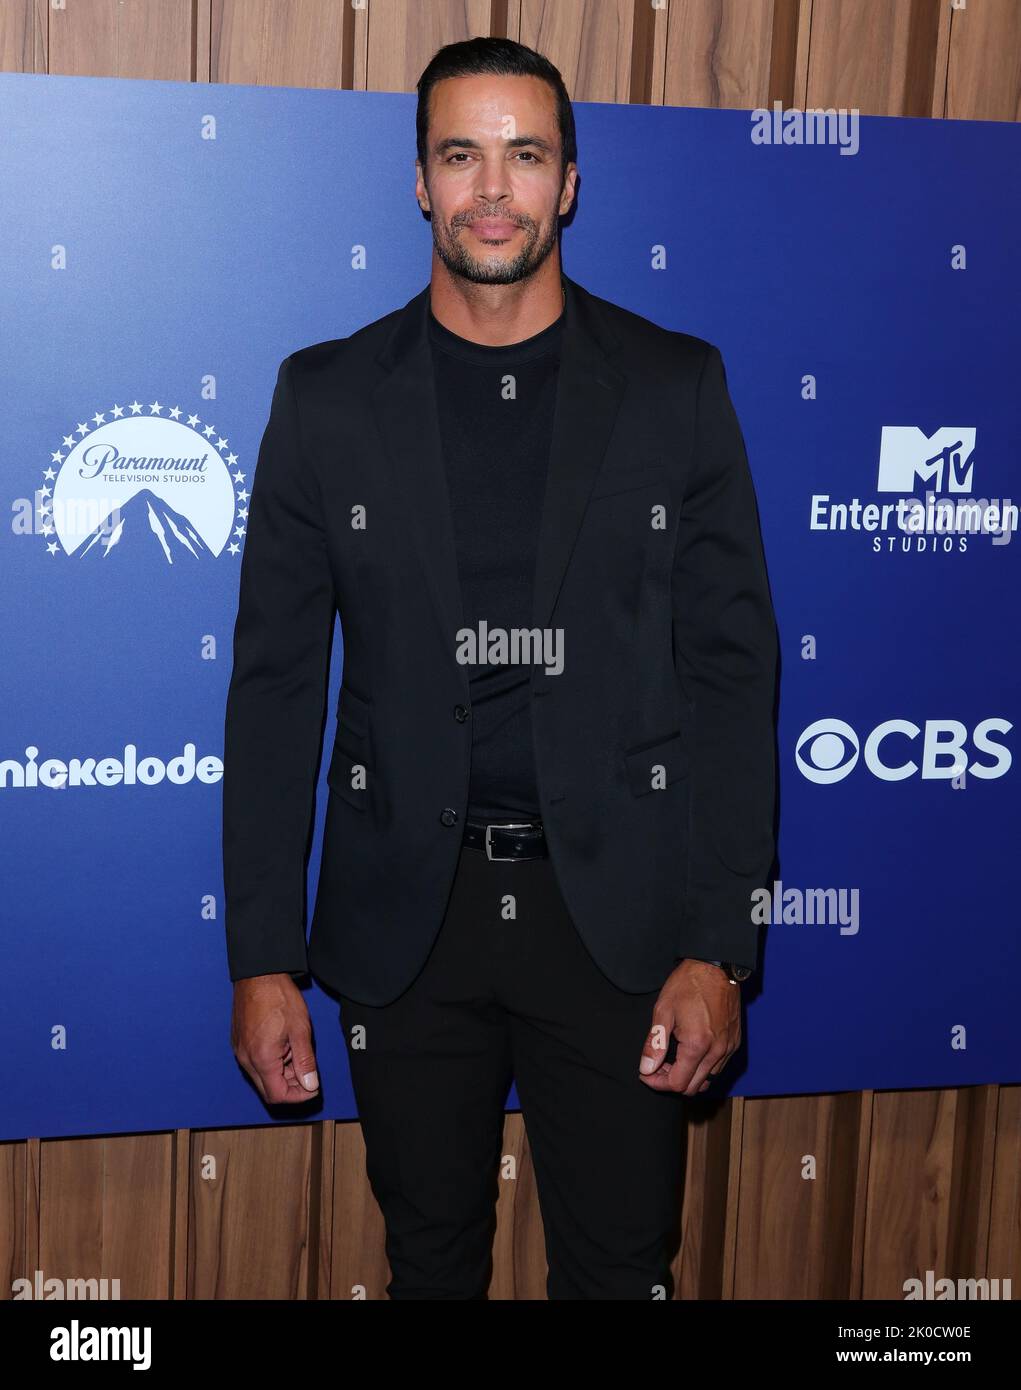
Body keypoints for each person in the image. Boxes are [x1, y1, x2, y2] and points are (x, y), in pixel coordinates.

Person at [223, 36, 778, 1300]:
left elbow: (735, 676)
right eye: (460, 154)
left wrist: (721, 944)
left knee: (621, 1267)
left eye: (522, 155)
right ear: (419, 181)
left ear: (568, 182)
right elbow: (272, 695)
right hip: (402, 925)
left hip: (622, 927)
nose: (491, 186)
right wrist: (263, 958)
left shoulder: (672, 388)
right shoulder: (324, 400)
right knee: (427, 1266)